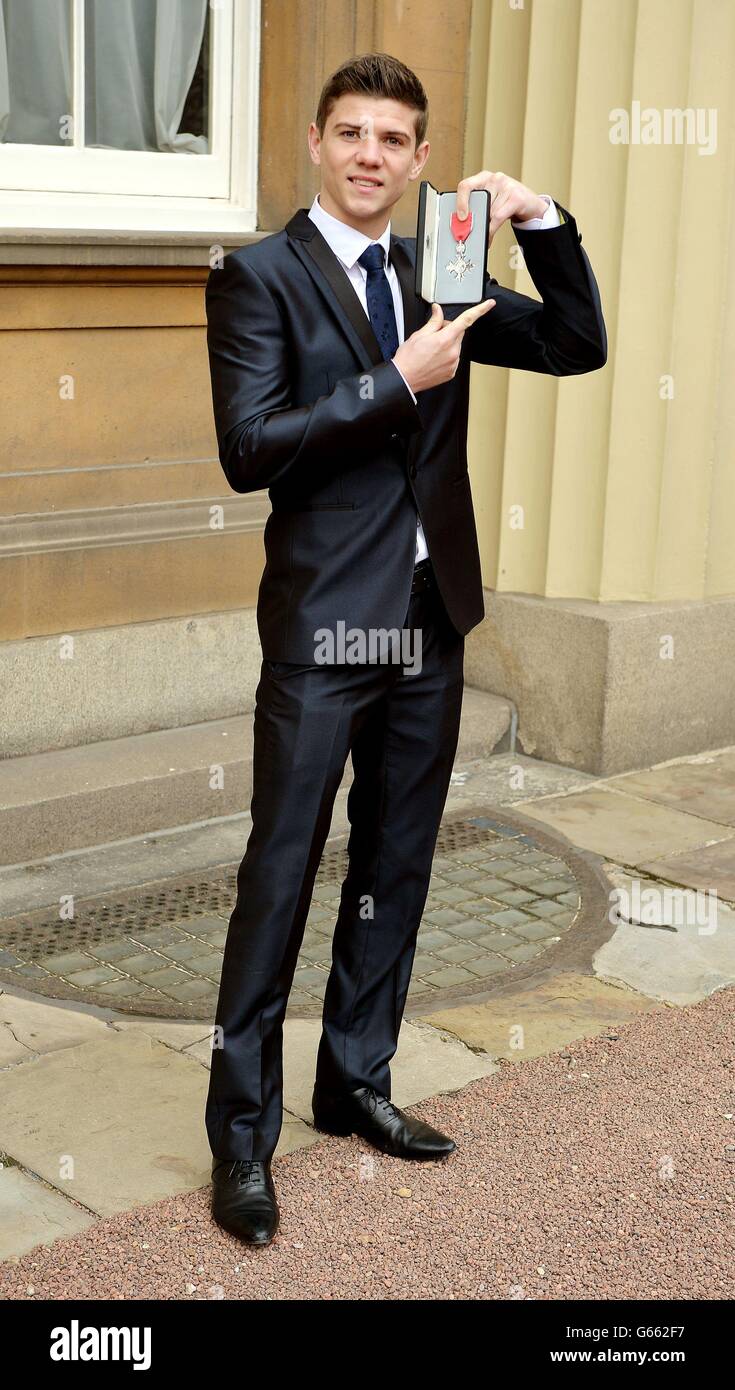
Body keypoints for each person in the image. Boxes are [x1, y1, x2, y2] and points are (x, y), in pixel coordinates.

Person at [204, 51, 607, 1246]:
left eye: (395, 139)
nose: (372, 155)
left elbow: (577, 343)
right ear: (319, 144)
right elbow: (248, 446)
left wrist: (544, 221)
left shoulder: (444, 264)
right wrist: (395, 379)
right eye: (353, 134)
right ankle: (241, 1141)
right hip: (328, 625)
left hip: (430, 622)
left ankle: (356, 1080)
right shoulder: (258, 275)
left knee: (396, 862)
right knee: (281, 872)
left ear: (420, 158)